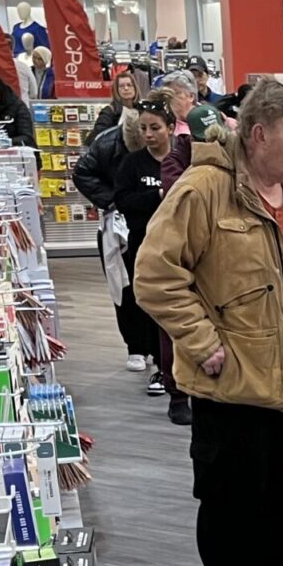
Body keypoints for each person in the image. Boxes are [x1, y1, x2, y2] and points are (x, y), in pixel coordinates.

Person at [136, 79, 283, 566]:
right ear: (258, 135)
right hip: (230, 374)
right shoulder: (204, 189)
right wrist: (203, 341)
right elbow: (154, 276)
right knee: (233, 491)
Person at [113, 98, 175, 400]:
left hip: (180, 246)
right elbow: (124, 201)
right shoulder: (132, 163)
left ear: (171, 128)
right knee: (149, 303)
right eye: (144, 128)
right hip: (144, 244)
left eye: (155, 128)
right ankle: (160, 364)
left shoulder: (182, 160)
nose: (148, 134)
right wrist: (158, 195)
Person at [96, 70, 141, 136]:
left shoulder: (142, 110)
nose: (126, 88)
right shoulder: (109, 112)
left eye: (129, 85)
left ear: (135, 88)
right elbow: (99, 136)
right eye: (121, 86)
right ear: (116, 90)